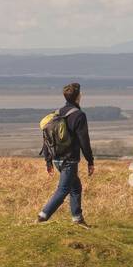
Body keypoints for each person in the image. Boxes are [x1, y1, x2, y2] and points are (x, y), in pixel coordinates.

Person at [36, 81, 94, 226]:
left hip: (56, 159)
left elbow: (47, 139)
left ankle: (78, 219)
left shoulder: (56, 114)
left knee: (75, 187)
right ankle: (43, 216)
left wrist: (48, 161)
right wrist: (90, 161)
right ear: (78, 96)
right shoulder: (79, 115)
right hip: (69, 160)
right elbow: (84, 140)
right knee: (63, 190)